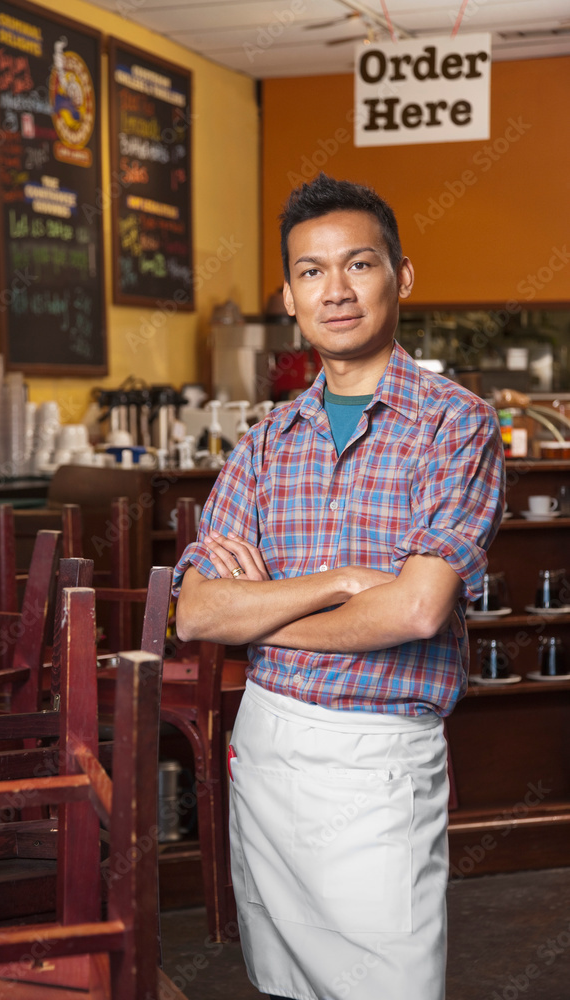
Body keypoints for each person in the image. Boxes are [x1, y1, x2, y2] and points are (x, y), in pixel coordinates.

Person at [173, 174, 504, 1000]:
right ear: (289, 296)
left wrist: (261, 616)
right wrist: (337, 584)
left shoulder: (454, 424)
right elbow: (195, 611)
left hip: (379, 757)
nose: (337, 290)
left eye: (358, 264)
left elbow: (418, 608)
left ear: (402, 275)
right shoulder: (265, 444)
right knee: (283, 983)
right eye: (313, 272)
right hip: (268, 747)